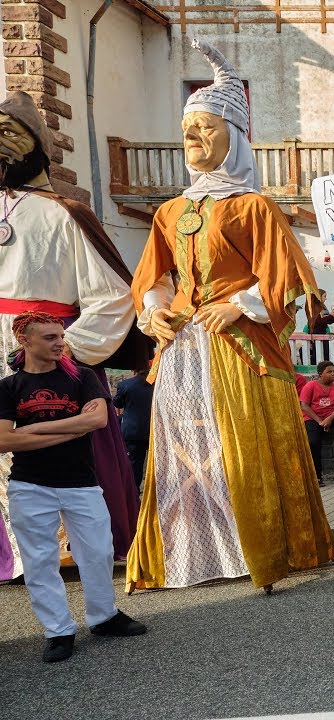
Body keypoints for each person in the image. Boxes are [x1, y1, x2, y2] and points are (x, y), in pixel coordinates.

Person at [127, 39, 334, 592]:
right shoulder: (171, 211)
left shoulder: (253, 206)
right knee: (186, 449)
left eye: (207, 127)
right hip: (184, 348)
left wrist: (236, 305)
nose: (193, 137)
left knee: (241, 446)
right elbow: (154, 276)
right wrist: (154, 313)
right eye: (189, 128)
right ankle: (192, 553)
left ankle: (258, 552)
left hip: (241, 343)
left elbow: (283, 281)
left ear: (235, 137)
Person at [0, 90, 149, 568]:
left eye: (12, 134)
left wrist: (66, 354)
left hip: (47, 349)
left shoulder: (65, 213)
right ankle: (13, 557)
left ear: (37, 147)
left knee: (60, 440)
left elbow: (113, 295)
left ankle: (73, 548)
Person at [0, 312, 147, 662]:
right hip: (29, 485)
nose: (59, 342)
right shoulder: (8, 388)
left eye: (60, 335)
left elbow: (96, 419)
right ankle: (58, 631)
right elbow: (3, 440)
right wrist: (70, 428)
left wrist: (30, 431)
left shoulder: (81, 377)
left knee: (97, 552)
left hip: (81, 482)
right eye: (49, 337)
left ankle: (104, 616)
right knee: (39, 560)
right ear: (26, 340)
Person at [300, 361, 334, 486]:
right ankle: (317, 476)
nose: (333, 374)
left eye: (333, 372)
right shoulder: (310, 386)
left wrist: (329, 419)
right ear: (320, 374)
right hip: (313, 417)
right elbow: (304, 406)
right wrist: (320, 421)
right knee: (313, 442)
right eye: (329, 372)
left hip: (332, 416)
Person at [112, 369, 154, 492]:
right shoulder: (157, 383)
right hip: (153, 431)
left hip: (133, 431)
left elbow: (117, 403)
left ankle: (134, 493)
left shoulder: (125, 385)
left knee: (135, 464)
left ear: (134, 370)